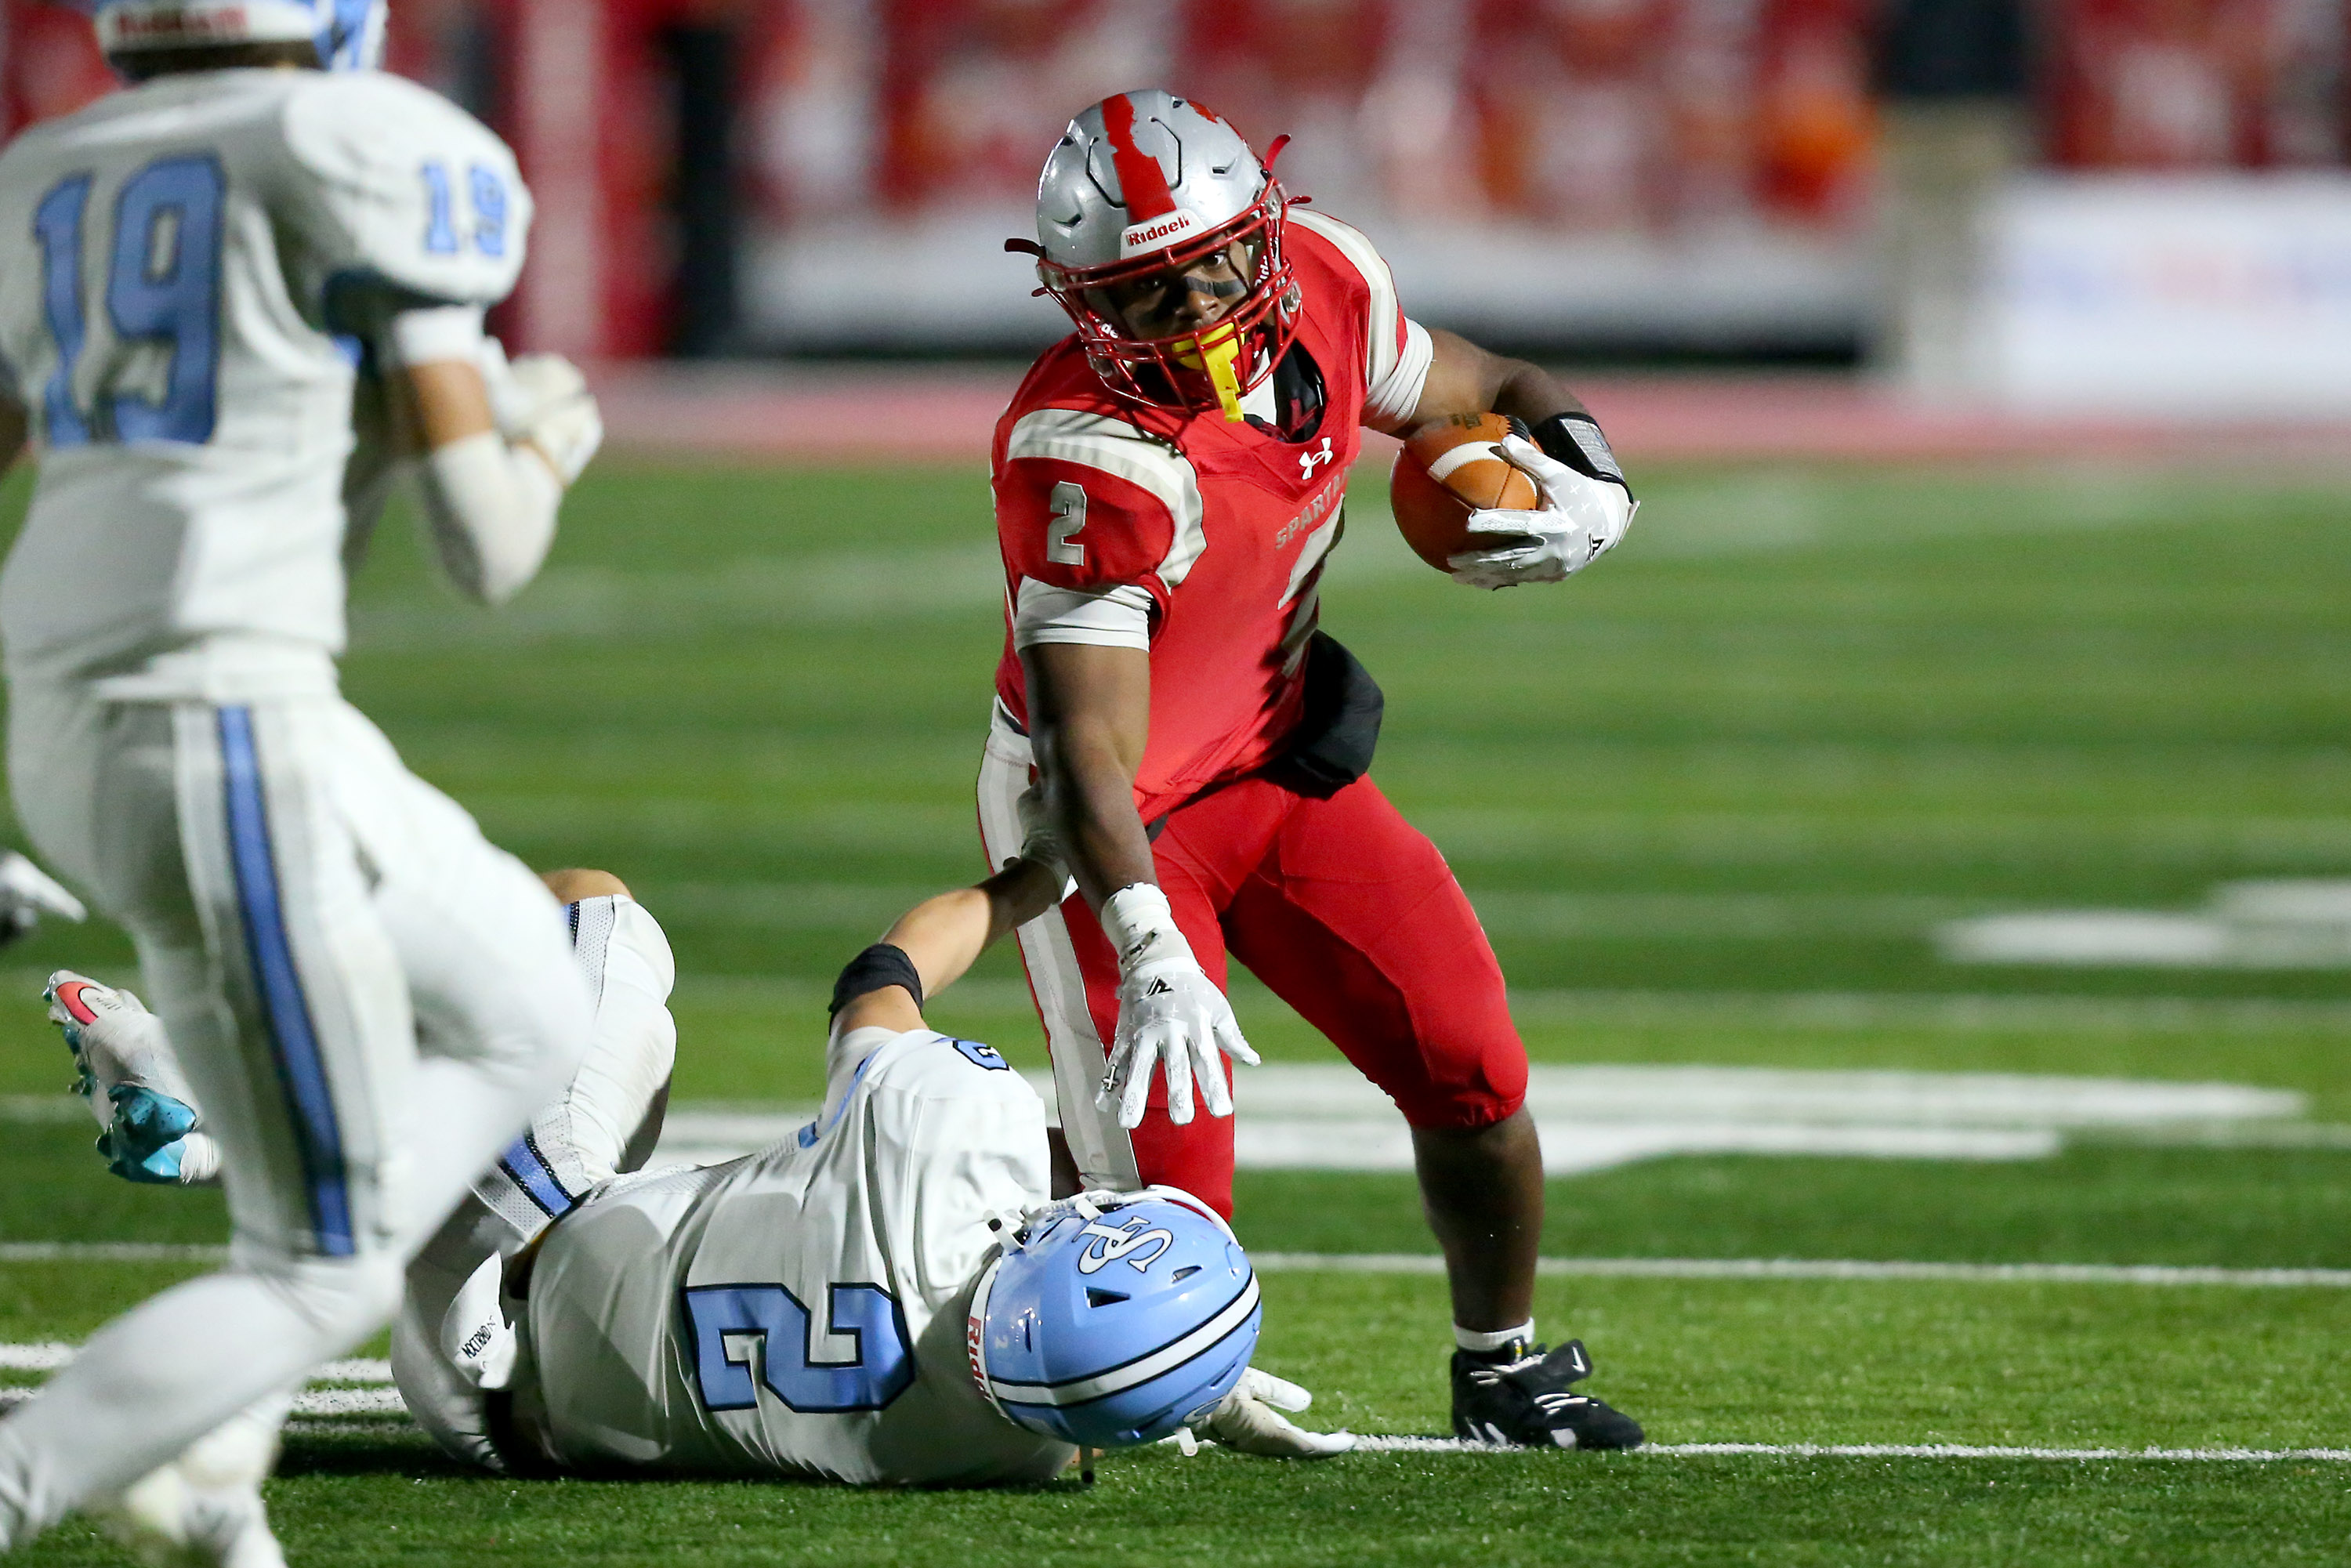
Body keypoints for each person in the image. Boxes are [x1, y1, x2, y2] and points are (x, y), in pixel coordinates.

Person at [0, 2, 606, 1558]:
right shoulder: (370, 147)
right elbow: (487, 546)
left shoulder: (46, 171)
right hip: (219, 723)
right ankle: (72, 1467)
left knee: (534, 1004)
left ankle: (212, 1461)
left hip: (83, 718)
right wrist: (543, 437)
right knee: (317, 1267)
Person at [977, 90, 1643, 1451]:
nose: (1196, 313)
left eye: (1213, 267)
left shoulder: (1332, 286)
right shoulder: (1087, 452)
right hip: (1111, 825)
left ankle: (1501, 1370)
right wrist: (1146, 938)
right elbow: (1083, 744)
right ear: (1083, 305)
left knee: (1473, 1064)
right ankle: (942, 1298)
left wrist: (1592, 482)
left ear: (1264, 234)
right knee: (1164, 1207)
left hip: (1276, 761)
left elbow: (1493, 385)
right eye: (1148, 294)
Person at [53, 843, 1353, 1486]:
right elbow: (1072, 1380)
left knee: (596, 915)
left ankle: (226, 1080)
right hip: (500, 1425)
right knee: (644, 1062)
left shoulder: (952, 1137)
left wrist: (1031, 880)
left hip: (521, 1239)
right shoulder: (1015, 1455)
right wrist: (1173, 1384)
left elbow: (883, 972)